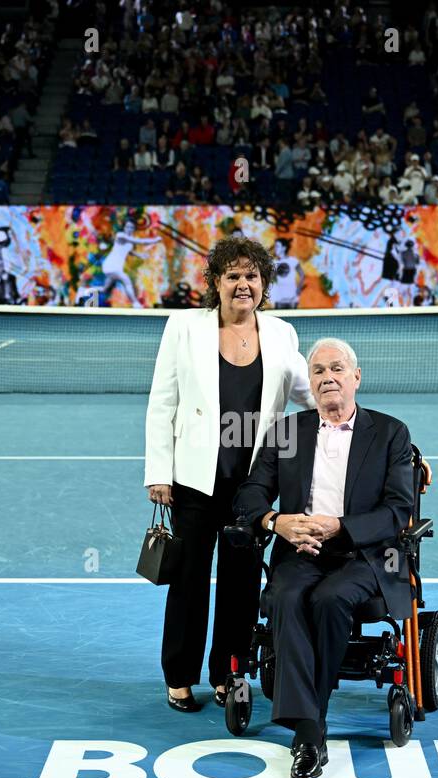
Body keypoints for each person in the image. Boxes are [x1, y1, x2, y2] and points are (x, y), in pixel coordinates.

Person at [145, 235, 316, 712]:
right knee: (190, 581)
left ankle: (229, 673)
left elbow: (308, 393)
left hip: (254, 485)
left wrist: (352, 416)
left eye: (252, 276)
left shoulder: (282, 333)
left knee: (242, 585)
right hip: (196, 480)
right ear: (215, 282)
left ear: (264, 283)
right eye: (233, 276)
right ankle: (179, 675)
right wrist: (159, 471)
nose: (243, 285)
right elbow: (162, 403)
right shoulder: (183, 328)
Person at [233, 338, 414, 778]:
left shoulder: (391, 433)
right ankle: (313, 728)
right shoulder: (288, 433)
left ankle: (309, 726)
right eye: (317, 371)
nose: (327, 377)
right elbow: (251, 492)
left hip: (364, 556)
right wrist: (278, 521)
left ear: (356, 377)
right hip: (300, 549)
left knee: (329, 600)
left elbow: (397, 510)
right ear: (309, 383)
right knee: (285, 597)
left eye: (336, 368)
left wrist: (340, 526)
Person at [99, 221, 160, 308]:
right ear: (124, 228)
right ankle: (136, 304)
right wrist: (155, 240)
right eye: (127, 227)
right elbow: (140, 241)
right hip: (110, 265)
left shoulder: (130, 241)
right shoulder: (120, 235)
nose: (129, 229)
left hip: (117, 267)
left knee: (104, 290)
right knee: (126, 280)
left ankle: (86, 291)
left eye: (131, 227)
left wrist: (140, 255)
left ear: (134, 229)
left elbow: (129, 252)